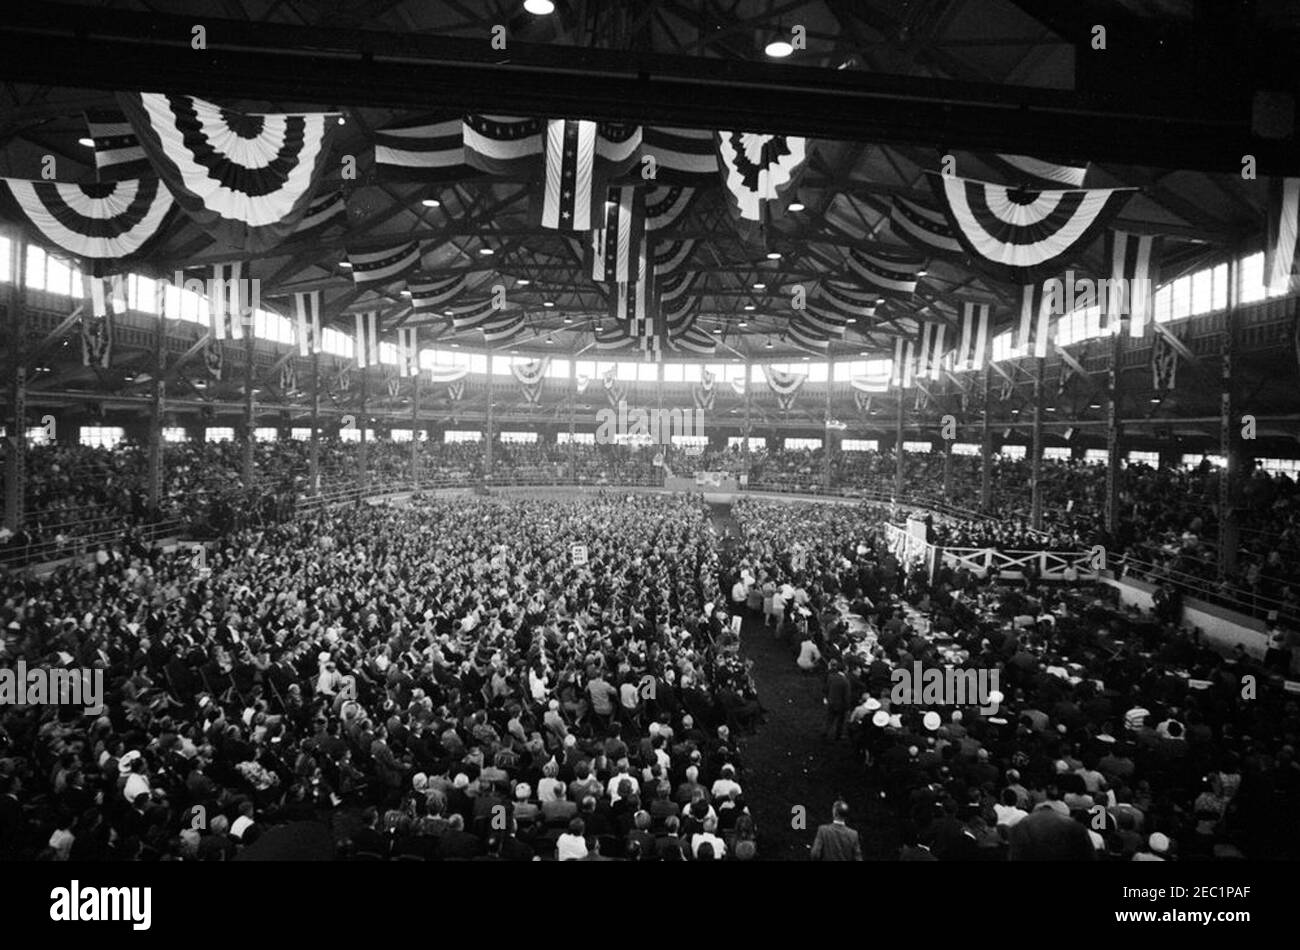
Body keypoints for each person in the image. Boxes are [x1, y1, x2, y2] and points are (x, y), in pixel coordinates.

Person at [823, 660, 851, 740]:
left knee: (829, 719)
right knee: (840, 721)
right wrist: (847, 707)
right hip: (840, 705)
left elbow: (827, 688)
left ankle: (825, 732)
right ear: (845, 670)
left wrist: (827, 697)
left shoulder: (831, 677)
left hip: (831, 701)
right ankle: (838, 736)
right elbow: (847, 696)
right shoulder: (845, 681)